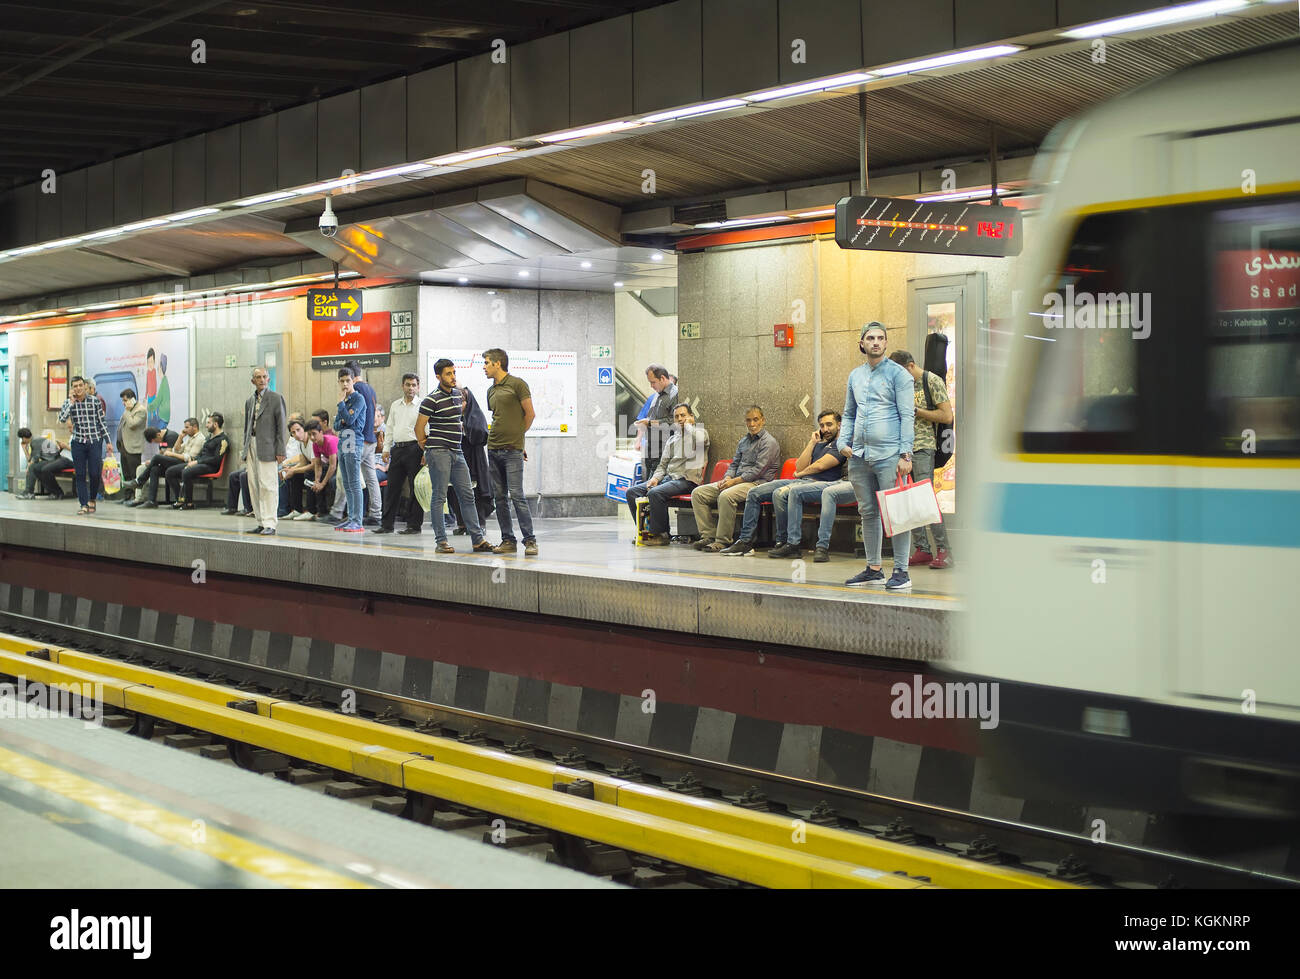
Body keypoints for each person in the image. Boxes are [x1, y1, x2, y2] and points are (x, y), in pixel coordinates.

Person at [841, 322, 915, 590]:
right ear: (862, 343)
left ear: (886, 343)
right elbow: (849, 413)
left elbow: (908, 415)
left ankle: (901, 571)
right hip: (860, 455)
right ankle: (873, 568)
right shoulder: (855, 376)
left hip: (890, 455)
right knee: (868, 512)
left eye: (880, 338)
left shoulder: (899, 375)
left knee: (896, 512)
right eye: (870, 338)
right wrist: (841, 442)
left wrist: (906, 454)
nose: (875, 342)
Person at [723, 410, 844, 556]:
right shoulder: (819, 443)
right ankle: (745, 541)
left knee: (780, 493)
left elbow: (820, 465)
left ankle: (785, 541)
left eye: (829, 425)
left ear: (839, 425)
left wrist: (800, 474)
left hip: (821, 483)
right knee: (754, 492)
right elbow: (800, 465)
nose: (825, 429)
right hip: (803, 481)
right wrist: (812, 443)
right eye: (822, 425)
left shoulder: (841, 444)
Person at [416, 359, 492, 555]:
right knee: (439, 497)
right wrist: (426, 445)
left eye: (454, 372)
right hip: (439, 452)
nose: (453, 377)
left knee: (467, 495)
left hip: (457, 452)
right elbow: (419, 428)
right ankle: (441, 541)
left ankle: (477, 539)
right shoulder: (430, 400)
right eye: (448, 374)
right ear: (438, 377)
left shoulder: (459, 395)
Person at [890, 350, 954, 570]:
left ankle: (944, 551)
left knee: (925, 498)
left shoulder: (931, 381)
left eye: (899, 372)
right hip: (902, 449)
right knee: (909, 499)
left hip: (923, 447)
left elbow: (946, 416)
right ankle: (922, 549)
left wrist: (916, 411)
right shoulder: (901, 384)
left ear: (910, 366)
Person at [690, 406, 780, 552]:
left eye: (755, 419)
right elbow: (734, 463)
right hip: (736, 480)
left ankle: (722, 541)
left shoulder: (769, 442)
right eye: (748, 420)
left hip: (757, 484)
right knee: (698, 493)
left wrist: (733, 482)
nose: (752, 424)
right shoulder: (744, 441)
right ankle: (708, 535)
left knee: (726, 496)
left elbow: (758, 470)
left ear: (763, 420)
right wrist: (727, 478)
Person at [624, 403, 709, 546]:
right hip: (669, 479)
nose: (680, 419)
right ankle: (645, 531)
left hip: (687, 480)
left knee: (655, 493)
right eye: (676, 417)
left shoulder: (700, 433)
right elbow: (662, 465)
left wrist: (688, 426)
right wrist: (655, 478)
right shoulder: (672, 439)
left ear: (692, 417)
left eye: (683, 415)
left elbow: (700, 440)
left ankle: (662, 534)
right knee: (632, 492)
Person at [482, 348, 538, 556]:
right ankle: (508, 540)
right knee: (500, 497)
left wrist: (518, 439)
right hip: (493, 448)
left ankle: (530, 540)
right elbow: (498, 417)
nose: (484, 367)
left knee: (517, 495)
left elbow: (530, 414)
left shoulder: (517, 384)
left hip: (512, 450)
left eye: (487, 363)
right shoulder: (491, 390)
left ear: (498, 363)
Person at [241, 366, 287, 536]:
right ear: (252, 381)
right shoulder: (249, 401)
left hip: (268, 446)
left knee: (268, 485)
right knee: (254, 484)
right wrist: (244, 450)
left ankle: (270, 523)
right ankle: (260, 522)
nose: (261, 380)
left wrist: (280, 450)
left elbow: (281, 427)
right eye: (258, 377)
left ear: (269, 379)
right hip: (251, 444)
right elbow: (247, 427)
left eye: (264, 377)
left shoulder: (276, 398)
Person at [376, 373, 424, 534]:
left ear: (418, 387)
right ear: (402, 386)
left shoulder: (422, 405)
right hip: (397, 449)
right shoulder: (396, 405)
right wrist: (386, 449)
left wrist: (426, 451)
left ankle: (414, 525)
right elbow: (389, 428)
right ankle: (387, 525)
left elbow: (427, 429)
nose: (410, 388)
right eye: (408, 384)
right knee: (392, 487)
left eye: (413, 385)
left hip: (415, 449)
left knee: (414, 488)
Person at [768, 478, 856, 563]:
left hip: (858, 481)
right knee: (795, 492)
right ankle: (793, 544)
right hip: (839, 481)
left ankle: (822, 547)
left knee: (828, 492)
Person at [56, 376, 110, 515]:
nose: (78, 388)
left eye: (80, 385)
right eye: (75, 386)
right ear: (72, 388)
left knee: (94, 473)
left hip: (95, 440)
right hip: (78, 441)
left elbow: (102, 423)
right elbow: (61, 419)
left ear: (85, 386)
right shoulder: (69, 402)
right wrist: (70, 403)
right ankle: (84, 504)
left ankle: (92, 498)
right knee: (79, 474)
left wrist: (108, 441)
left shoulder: (95, 401)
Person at [445, 384, 494, 534]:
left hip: (473, 460)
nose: (459, 405)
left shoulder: (475, 415)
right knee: (454, 492)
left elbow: (481, 435)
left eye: (462, 401)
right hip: (455, 459)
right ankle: (462, 524)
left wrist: (464, 428)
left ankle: (479, 524)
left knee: (475, 494)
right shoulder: (451, 416)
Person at [344, 361, 382, 526]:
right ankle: (376, 513)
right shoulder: (370, 388)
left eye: (346, 378)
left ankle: (351, 515)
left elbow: (350, 416)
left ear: (351, 376)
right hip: (371, 438)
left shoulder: (356, 389)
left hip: (359, 438)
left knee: (350, 477)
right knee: (371, 477)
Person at [169, 413, 229, 509]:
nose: (206, 425)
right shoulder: (209, 438)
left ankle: (189, 503)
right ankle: (180, 499)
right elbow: (201, 454)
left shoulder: (223, 440)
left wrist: (197, 462)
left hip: (211, 467)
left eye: (208, 423)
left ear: (216, 424)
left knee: (186, 472)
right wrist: (193, 460)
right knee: (170, 471)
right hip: (200, 463)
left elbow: (216, 459)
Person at [333, 368, 368, 533]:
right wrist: (344, 415)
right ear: (338, 382)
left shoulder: (358, 399)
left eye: (348, 380)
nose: (345, 384)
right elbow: (336, 425)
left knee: (354, 483)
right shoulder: (345, 402)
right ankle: (350, 518)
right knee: (346, 483)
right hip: (343, 440)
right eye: (342, 381)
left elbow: (351, 419)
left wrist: (341, 406)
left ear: (353, 380)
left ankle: (357, 521)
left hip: (354, 440)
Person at [632, 365, 679, 478]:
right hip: (651, 447)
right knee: (647, 481)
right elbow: (653, 418)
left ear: (662, 378)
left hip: (664, 449)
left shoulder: (675, 394)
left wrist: (649, 423)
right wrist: (646, 422)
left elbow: (673, 422)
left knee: (655, 483)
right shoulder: (656, 395)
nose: (651, 386)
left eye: (653, 382)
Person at [125, 427, 180, 506]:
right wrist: (151, 463)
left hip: (178, 463)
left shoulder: (171, 436)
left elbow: (169, 455)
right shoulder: (161, 440)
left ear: (158, 435)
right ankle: (151, 501)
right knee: (154, 469)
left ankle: (140, 481)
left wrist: (153, 460)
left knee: (156, 458)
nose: (156, 443)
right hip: (168, 465)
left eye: (155, 441)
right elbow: (161, 454)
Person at [295, 420, 338, 520]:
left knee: (332, 481)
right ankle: (321, 511)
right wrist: (317, 481)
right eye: (309, 435)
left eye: (314, 434)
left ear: (321, 432)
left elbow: (333, 466)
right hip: (330, 464)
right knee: (314, 482)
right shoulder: (315, 444)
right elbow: (318, 465)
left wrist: (322, 484)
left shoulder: (330, 442)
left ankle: (337, 513)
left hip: (341, 462)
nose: (312, 437)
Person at [114, 388, 147, 502]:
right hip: (123, 446)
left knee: (134, 474)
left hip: (133, 447)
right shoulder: (127, 410)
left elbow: (133, 424)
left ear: (132, 399)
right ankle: (127, 496)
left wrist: (127, 411)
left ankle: (136, 497)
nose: (124, 403)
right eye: (123, 401)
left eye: (125, 400)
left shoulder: (140, 410)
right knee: (126, 474)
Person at [277, 416, 313, 519]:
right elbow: (303, 462)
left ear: (304, 428)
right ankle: (297, 509)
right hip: (310, 466)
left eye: (298, 430)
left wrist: (293, 470)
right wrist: (291, 470)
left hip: (320, 468)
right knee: (295, 475)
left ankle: (311, 510)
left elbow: (314, 464)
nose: (296, 434)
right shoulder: (300, 443)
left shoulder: (311, 440)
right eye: (293, 432)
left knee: (308, 474)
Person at [16, 428, 65, 500]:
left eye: (21, 439)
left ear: (23, 438)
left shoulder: (36, 441)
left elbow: (35, 459)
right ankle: (54, 492)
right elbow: (30, 459)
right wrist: (24, 449)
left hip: (54, 460)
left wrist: (29, 467)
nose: (22, 441)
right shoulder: (35, 440)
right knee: (33, 467)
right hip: (51, 460)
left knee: (32, 467)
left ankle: (29, 492)